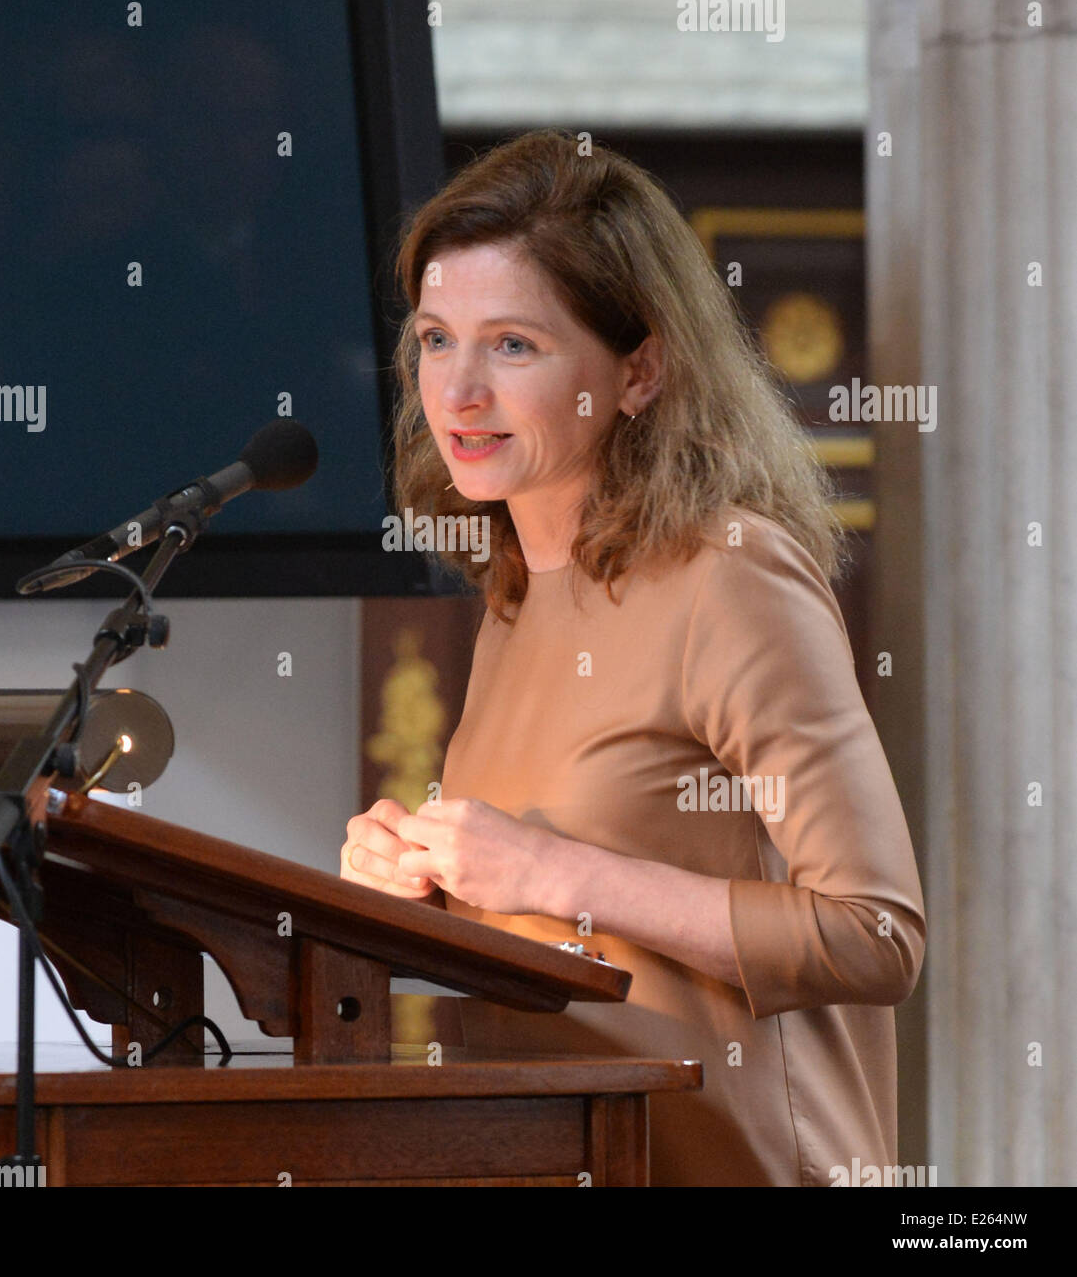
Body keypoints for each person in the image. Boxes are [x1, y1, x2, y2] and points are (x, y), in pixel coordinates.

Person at [340, 129, 925, 1186]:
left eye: (512, 345)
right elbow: (573, 943)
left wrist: (555, 871)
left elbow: (875, 933)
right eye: (436, 339)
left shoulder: (729, 576)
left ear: (640, 369)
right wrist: (415, 890)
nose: (458, 391)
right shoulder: (516, 585)